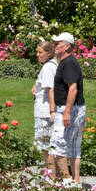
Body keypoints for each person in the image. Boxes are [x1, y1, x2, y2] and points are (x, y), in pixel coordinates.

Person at [49, 32, 86, 185]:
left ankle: (67, 181)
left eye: (58, 43)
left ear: (66, 46)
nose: (54, 46)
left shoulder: (69, 63)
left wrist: (67, 112)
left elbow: (73, 88)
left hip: (69, 109)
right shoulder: (68, 62)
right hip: (76, 108)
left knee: (57, 146)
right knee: (73, 147)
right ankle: (75, 181)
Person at [30, 41, 58, 175]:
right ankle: (51, 173)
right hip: (46, 110)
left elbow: (50, 89)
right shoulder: (53, 65)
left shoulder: (47, 67)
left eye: (40, 52)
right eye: (37, 52)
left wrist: (51, 110)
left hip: (44, 111)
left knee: (47, 146)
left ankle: (51, 176)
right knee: (48, 145)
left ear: (48, 53)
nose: (37, 55)